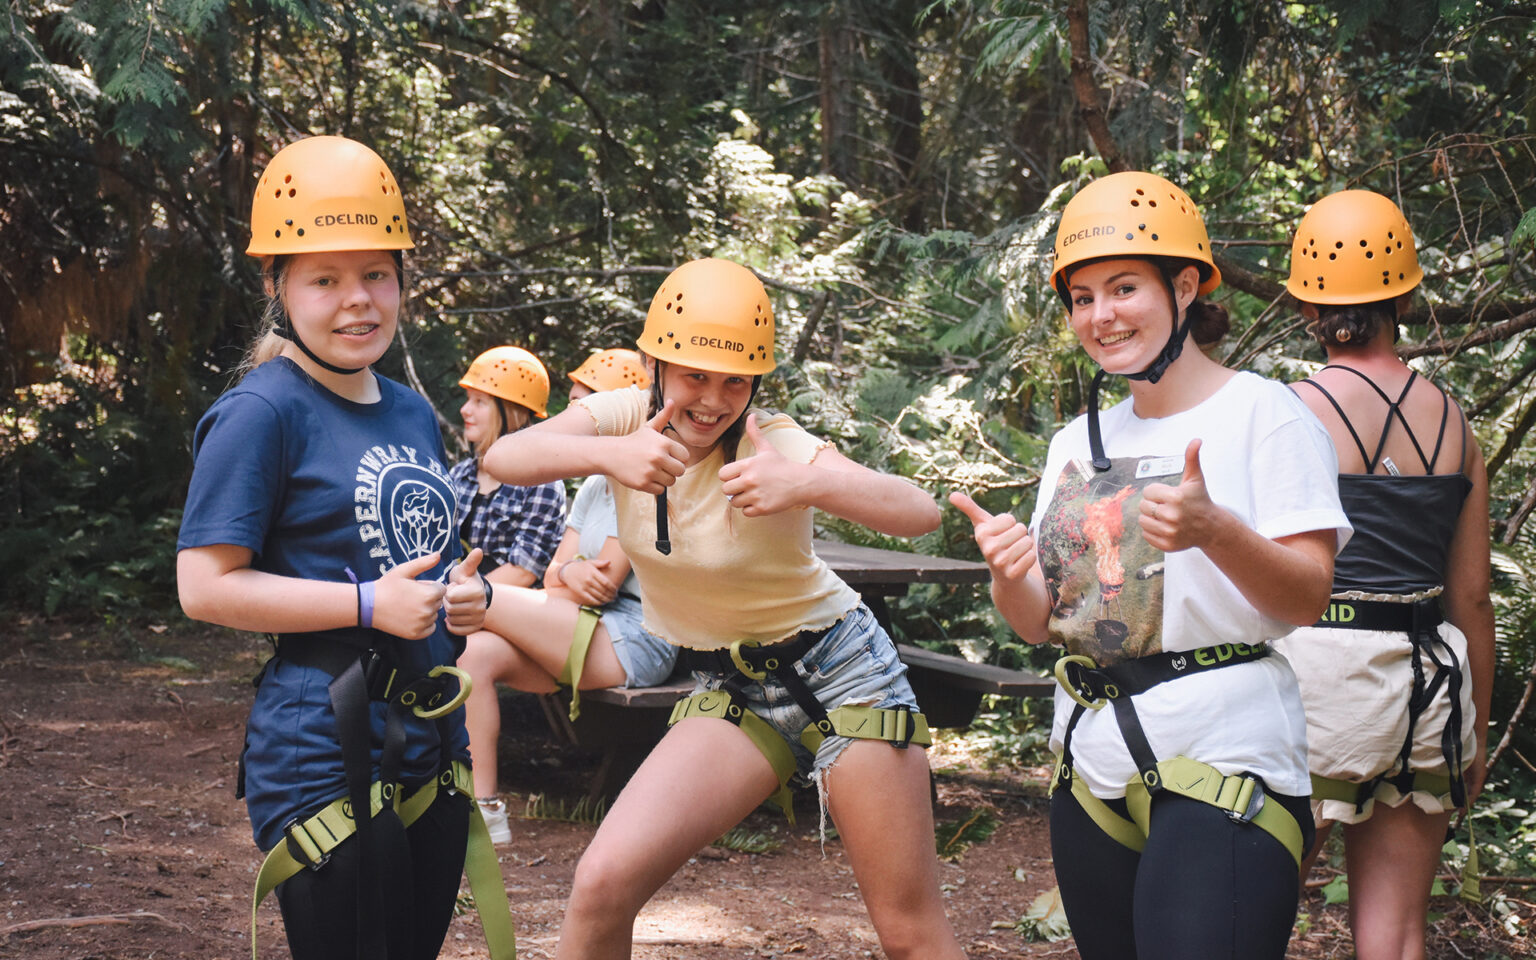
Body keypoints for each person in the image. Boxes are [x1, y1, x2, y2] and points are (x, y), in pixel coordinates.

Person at [483, 258, 966, 960]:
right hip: (733, 685)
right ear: (654, 366)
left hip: (845, 673)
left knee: (908, 932)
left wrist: (804, 484)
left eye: (735, 381)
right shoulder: (623, 417)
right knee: (601, 886)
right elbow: (505, 456)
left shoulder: (773, 442)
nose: (713, 401)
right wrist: (612, 458)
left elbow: (918, 512)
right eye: (694, 376)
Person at [951, 171, 1350, 960]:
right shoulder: (1075, 442)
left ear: (1187, 285)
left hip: (1224, 749)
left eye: (1124, 288)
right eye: (1082, 297)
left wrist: (1215, 530)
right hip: (1091, 760)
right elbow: (1039, 622)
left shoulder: (1265, 414)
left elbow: (1309, 595)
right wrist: (1007, 573)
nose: (1101, 315)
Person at [175, 135, 513, 960]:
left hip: (433, 739)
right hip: (324, 746)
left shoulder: (409, 409)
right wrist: (367, 605)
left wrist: (466, 598)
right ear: (277, 286)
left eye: (376, 274)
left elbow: (416, 557)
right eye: (324, 279)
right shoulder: (262, 413)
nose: (357, 300)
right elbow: (203, 585)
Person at [1272, 189, 1494, 960]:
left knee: (1254, 918)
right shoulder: (1454, 422)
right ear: (1405, 295)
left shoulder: (1288, 413)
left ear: (1307, 304)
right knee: (1395, 936)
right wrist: (1476, 731)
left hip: (1315, 681)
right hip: (1429, 687)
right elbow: (1471, 596)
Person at [458, 348, 677, 844]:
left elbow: (605, 582)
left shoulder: (650, 481)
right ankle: (483, 808)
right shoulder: (595, 484)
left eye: (585, 404)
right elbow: (558, 576)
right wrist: (570, 571)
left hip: (635, 638)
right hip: (578, 623)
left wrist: (570, 572)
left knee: (475, 597)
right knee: (474, 654)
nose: (575, 416)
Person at [451, 345, 566, 589]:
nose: (465, 410)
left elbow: (524, 571)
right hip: (453, 593)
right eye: (468, 399)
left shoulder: (541, 481)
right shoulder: (460, 474)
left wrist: (454, 598)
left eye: (480, 402)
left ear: (513, 412)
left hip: (501, 600)